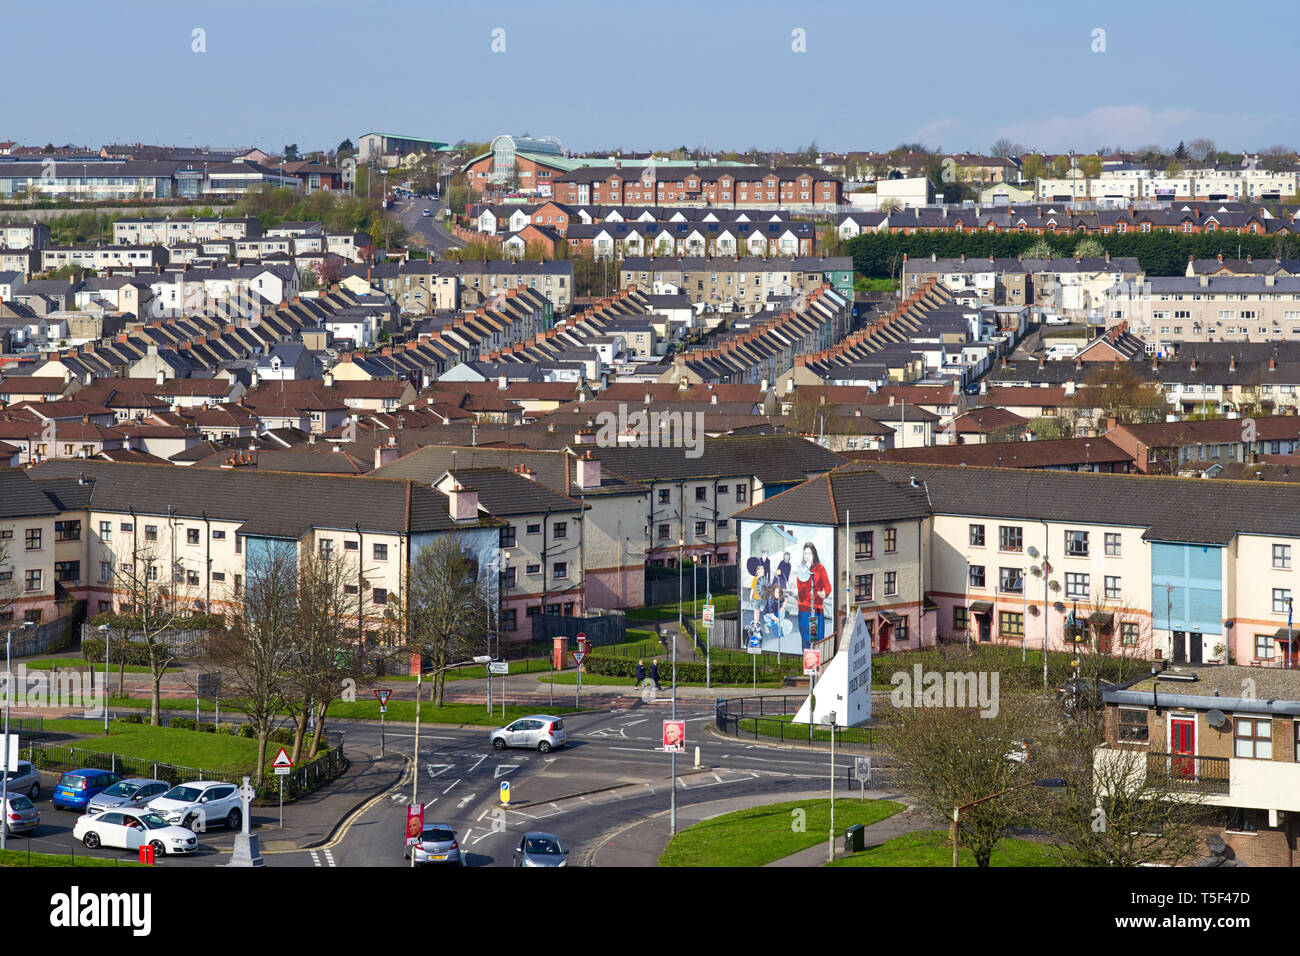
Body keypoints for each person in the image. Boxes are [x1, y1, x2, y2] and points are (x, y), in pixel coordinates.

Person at [795, 542, 831, 649]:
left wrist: (823, 593)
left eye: (809, 553)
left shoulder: (820, 568)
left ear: (814, 554)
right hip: (804, 609)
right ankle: (807, 663)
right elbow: (800, 588)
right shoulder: (801, 570)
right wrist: (806, 572)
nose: (807, 556)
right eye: (805, 553)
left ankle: (818, 664)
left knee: (817, 638)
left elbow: (827, 586)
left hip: (817, 609)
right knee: (806, 638)